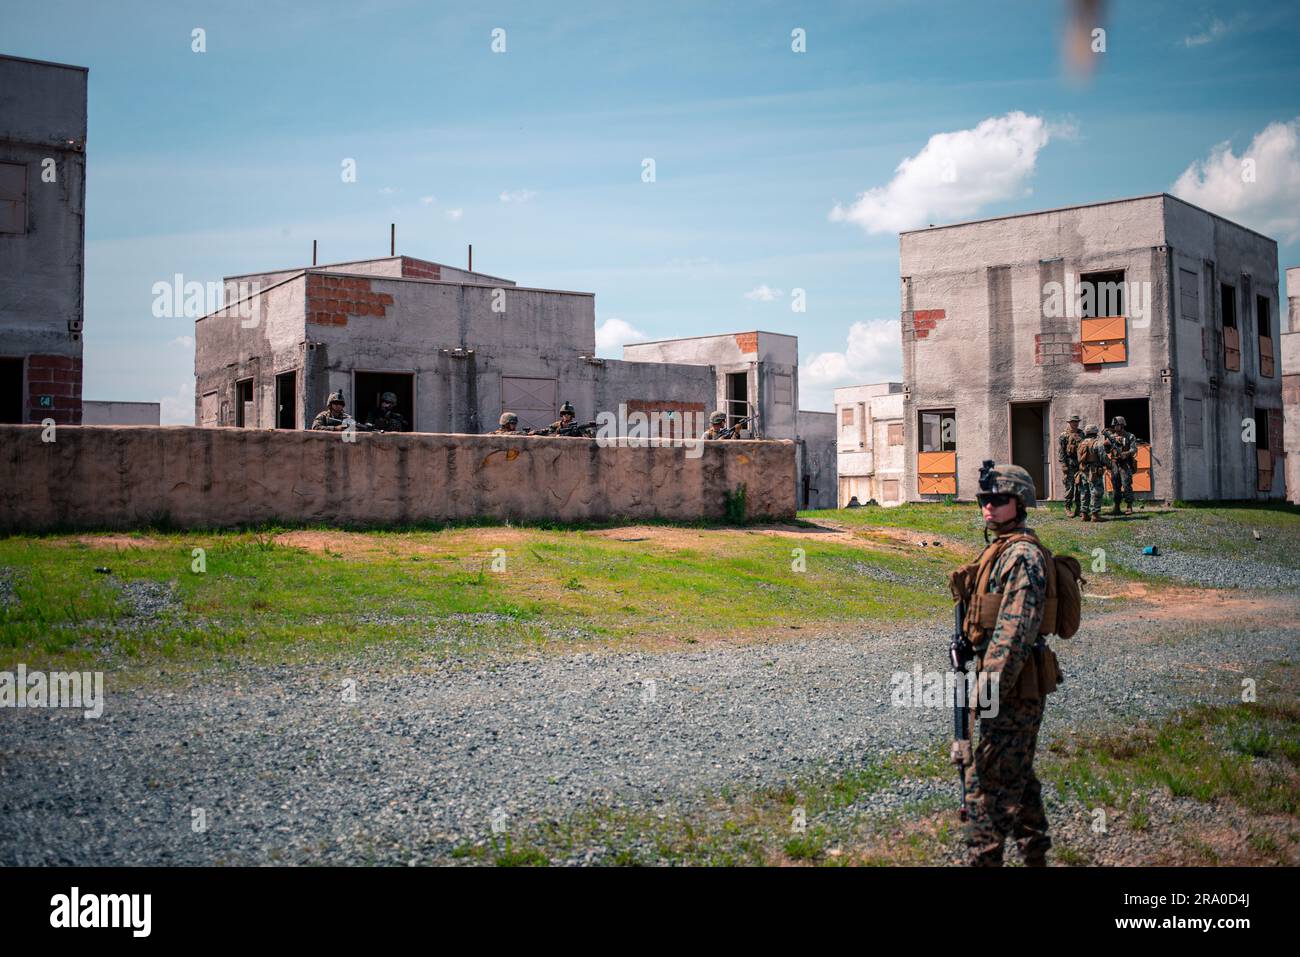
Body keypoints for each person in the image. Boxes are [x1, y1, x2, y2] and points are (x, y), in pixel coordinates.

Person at [952, 463, 1052, 867]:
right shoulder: (1001, 550)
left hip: (1012, 689)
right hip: (1002, 686)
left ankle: (983, 859)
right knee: (1018, 779)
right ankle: (1035, 858)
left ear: (1020, 503)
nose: (988, 506)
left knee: (986, 789)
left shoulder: (1023, 556)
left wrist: (985, 693)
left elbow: (1014, 633)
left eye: (998, 499)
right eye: (984, 499)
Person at [1076, 424, 1111, 523]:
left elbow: (1078, 458)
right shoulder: (1097, 443)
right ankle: (1095, 515)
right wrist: (1110, 465)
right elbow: (1103, 457)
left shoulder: (1081, 443)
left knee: (1084, 492)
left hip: (1083, 471)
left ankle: (1084, 514)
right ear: (1095, 433)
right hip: (1094, 471)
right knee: (1096, 491)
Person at [1104, 416, 1137, 515]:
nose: (1115, 427)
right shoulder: (1111, 437)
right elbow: (1107, 451)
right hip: (1115, 463)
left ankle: (1129, 506)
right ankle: (1117, 507)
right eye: (1114, 425)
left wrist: (1126, 453)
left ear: (1122, 425)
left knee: (1126, 484)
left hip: (1125, 463)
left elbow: (1134, 449)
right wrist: (1106, 445)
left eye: (1117, 425)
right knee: (1115, 486)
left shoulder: (1129, 436)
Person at [1057, 414, 1083, 517]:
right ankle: (1067, 507)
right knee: (1070, 487)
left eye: (1076, 422)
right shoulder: (1064, 435)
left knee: (1080, 486)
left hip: (1080, 464)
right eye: (1073, 422)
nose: (1075, 423)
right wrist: (1064, 464)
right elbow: (1061, 451)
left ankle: (1079, 508)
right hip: (1070, 464)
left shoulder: (1081, 434)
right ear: (1069, 423)